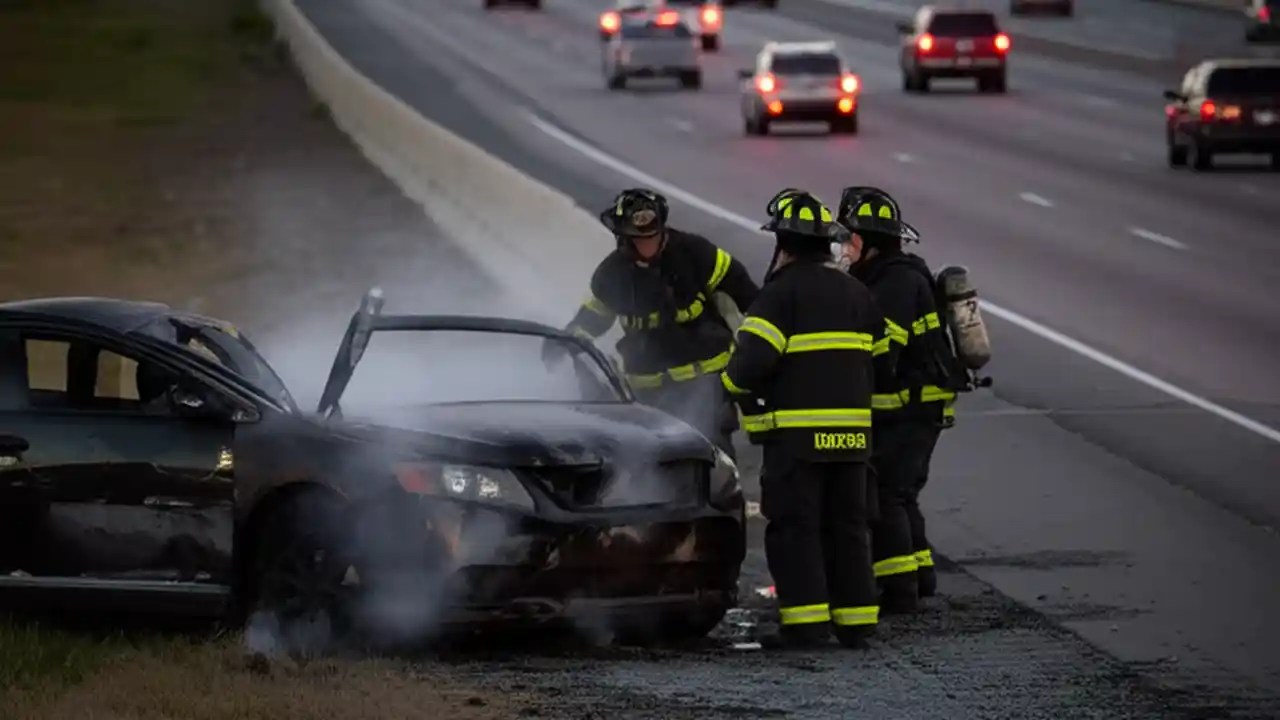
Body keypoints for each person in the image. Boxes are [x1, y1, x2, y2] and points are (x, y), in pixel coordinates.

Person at [721, 189, 881, 650]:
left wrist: (727, 387)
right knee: (849, 528)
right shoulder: (857, 292)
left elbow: (748, 367)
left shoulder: (778, 296)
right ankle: (856, 622)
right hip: (853, 441)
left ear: (784, 245)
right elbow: (883, 360)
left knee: (797, 528)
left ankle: (808, 624)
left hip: (799, 442)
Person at [552, 188, 759, 457]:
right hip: (649, 391)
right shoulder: (611, 275)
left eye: (654, 237)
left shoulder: (695, 253)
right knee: (655, 458)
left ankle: (720, 497)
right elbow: (593, 319)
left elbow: (746, 293)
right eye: (640, 240)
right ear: (624, 239)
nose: (649, 245)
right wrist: (566, 341)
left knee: (710, 450)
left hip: (705, 381)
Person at [836, 186, 958, 606]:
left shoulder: (897, 282)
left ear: (869, 241)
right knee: (901, 492)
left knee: (888, 493)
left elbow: (883, 351)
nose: (844, 246)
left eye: (849, 237)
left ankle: (899, 589)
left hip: (912, 406)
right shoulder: (882, 275)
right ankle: (921, 576)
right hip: (909, 405)